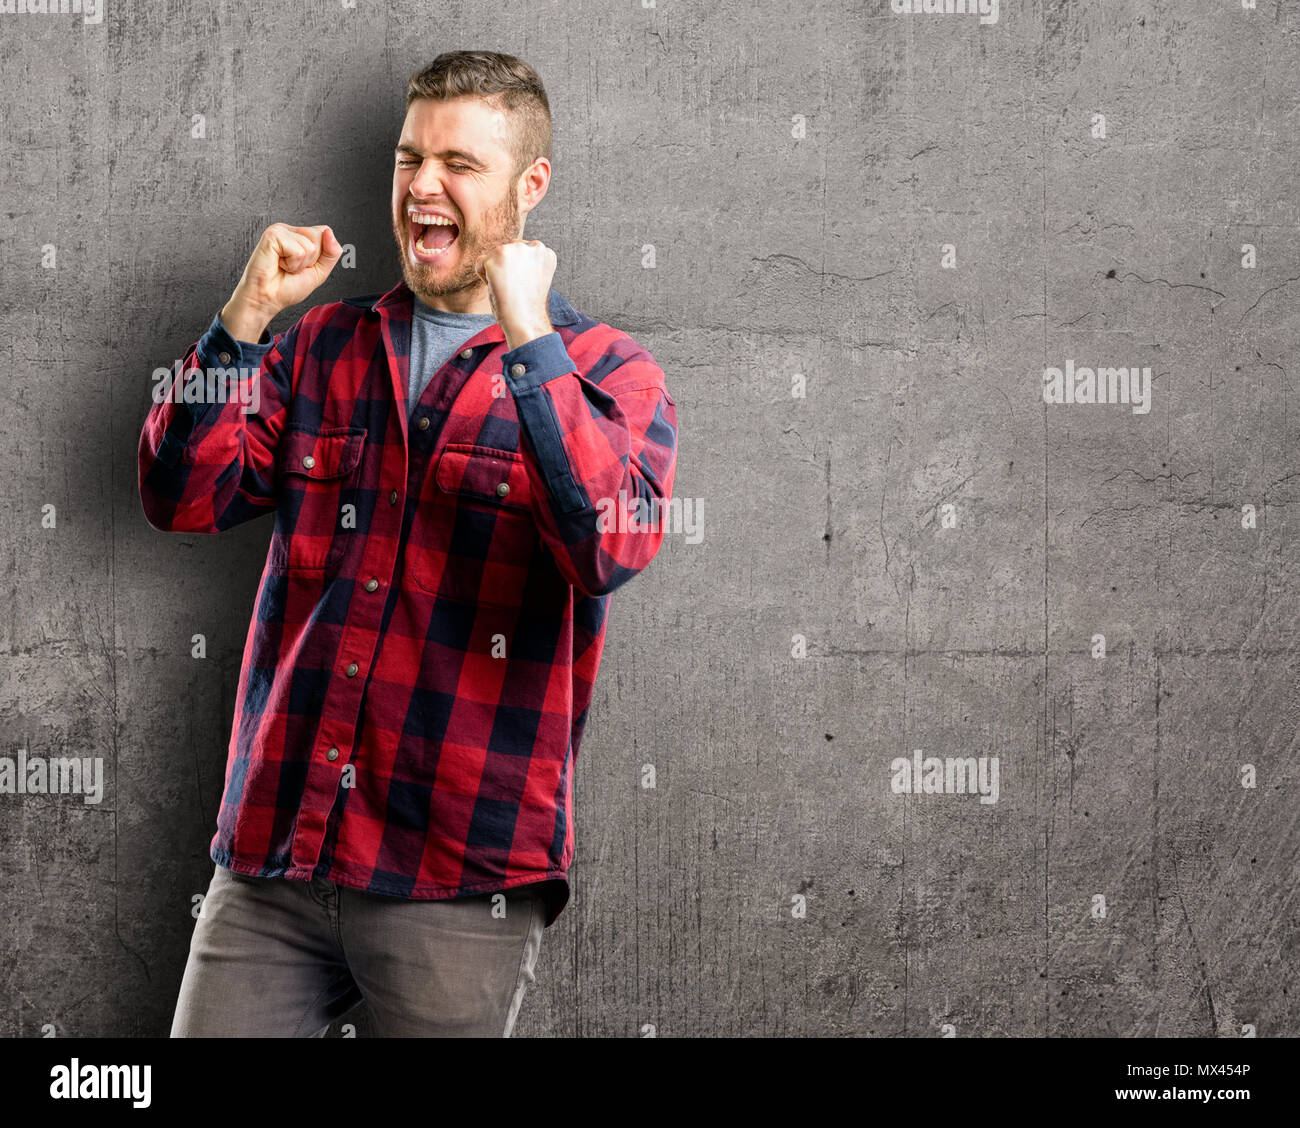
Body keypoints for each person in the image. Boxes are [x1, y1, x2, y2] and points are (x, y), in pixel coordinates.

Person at [138, 50, 678, 1037]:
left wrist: (529, 346)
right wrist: (243, 321)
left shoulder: (610, 373)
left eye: (458, 164)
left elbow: (610, 546)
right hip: (275, 854)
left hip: (457, 874)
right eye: (408, 159)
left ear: (530, 185)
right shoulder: (321, 345)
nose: (423, 186)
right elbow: (181, 496)